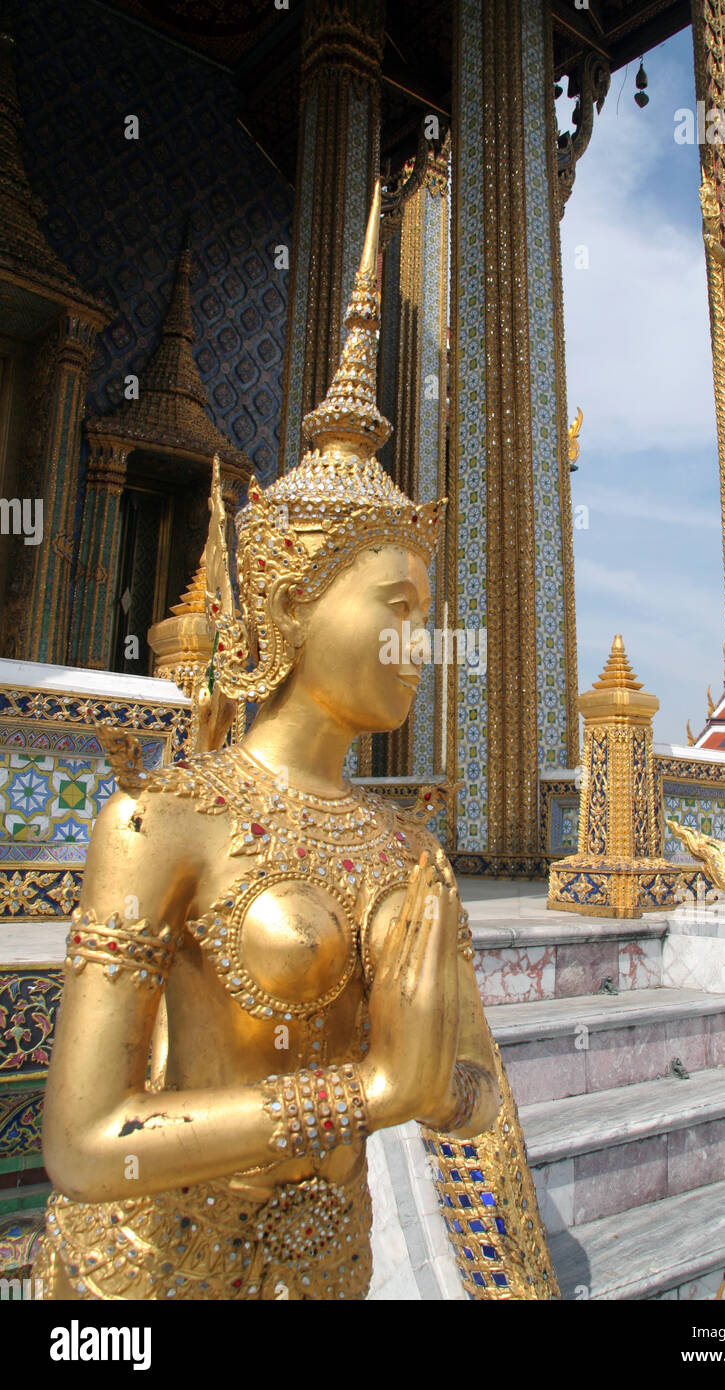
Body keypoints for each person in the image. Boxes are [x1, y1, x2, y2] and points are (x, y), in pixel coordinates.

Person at [34, 184, 498, 1301]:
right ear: (288, 603)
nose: (419, 636)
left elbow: (470, 1095)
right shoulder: (162, 819)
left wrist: (442, 1083)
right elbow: (89, 1143)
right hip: (152, 1273)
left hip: (332, 1258)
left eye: (427, 611)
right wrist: (376, 1091)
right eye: (393, 603)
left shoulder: (406, 850)